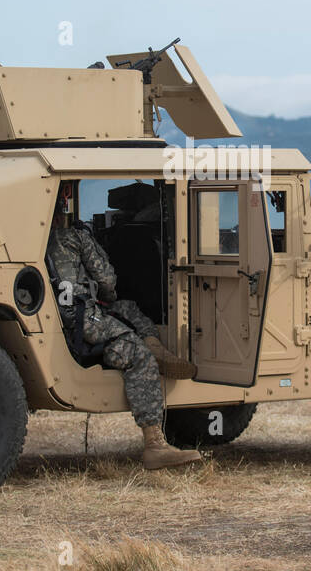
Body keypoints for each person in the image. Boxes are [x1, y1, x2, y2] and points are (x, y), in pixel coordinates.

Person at [46, 181, 202, 469]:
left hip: (61, 315)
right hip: (84, 320)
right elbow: (107, 280)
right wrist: (106, 296)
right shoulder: (75, 236)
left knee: (128, 309)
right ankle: (155, 444)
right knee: (138, 354)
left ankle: (158, 347)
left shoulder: (34, 238)